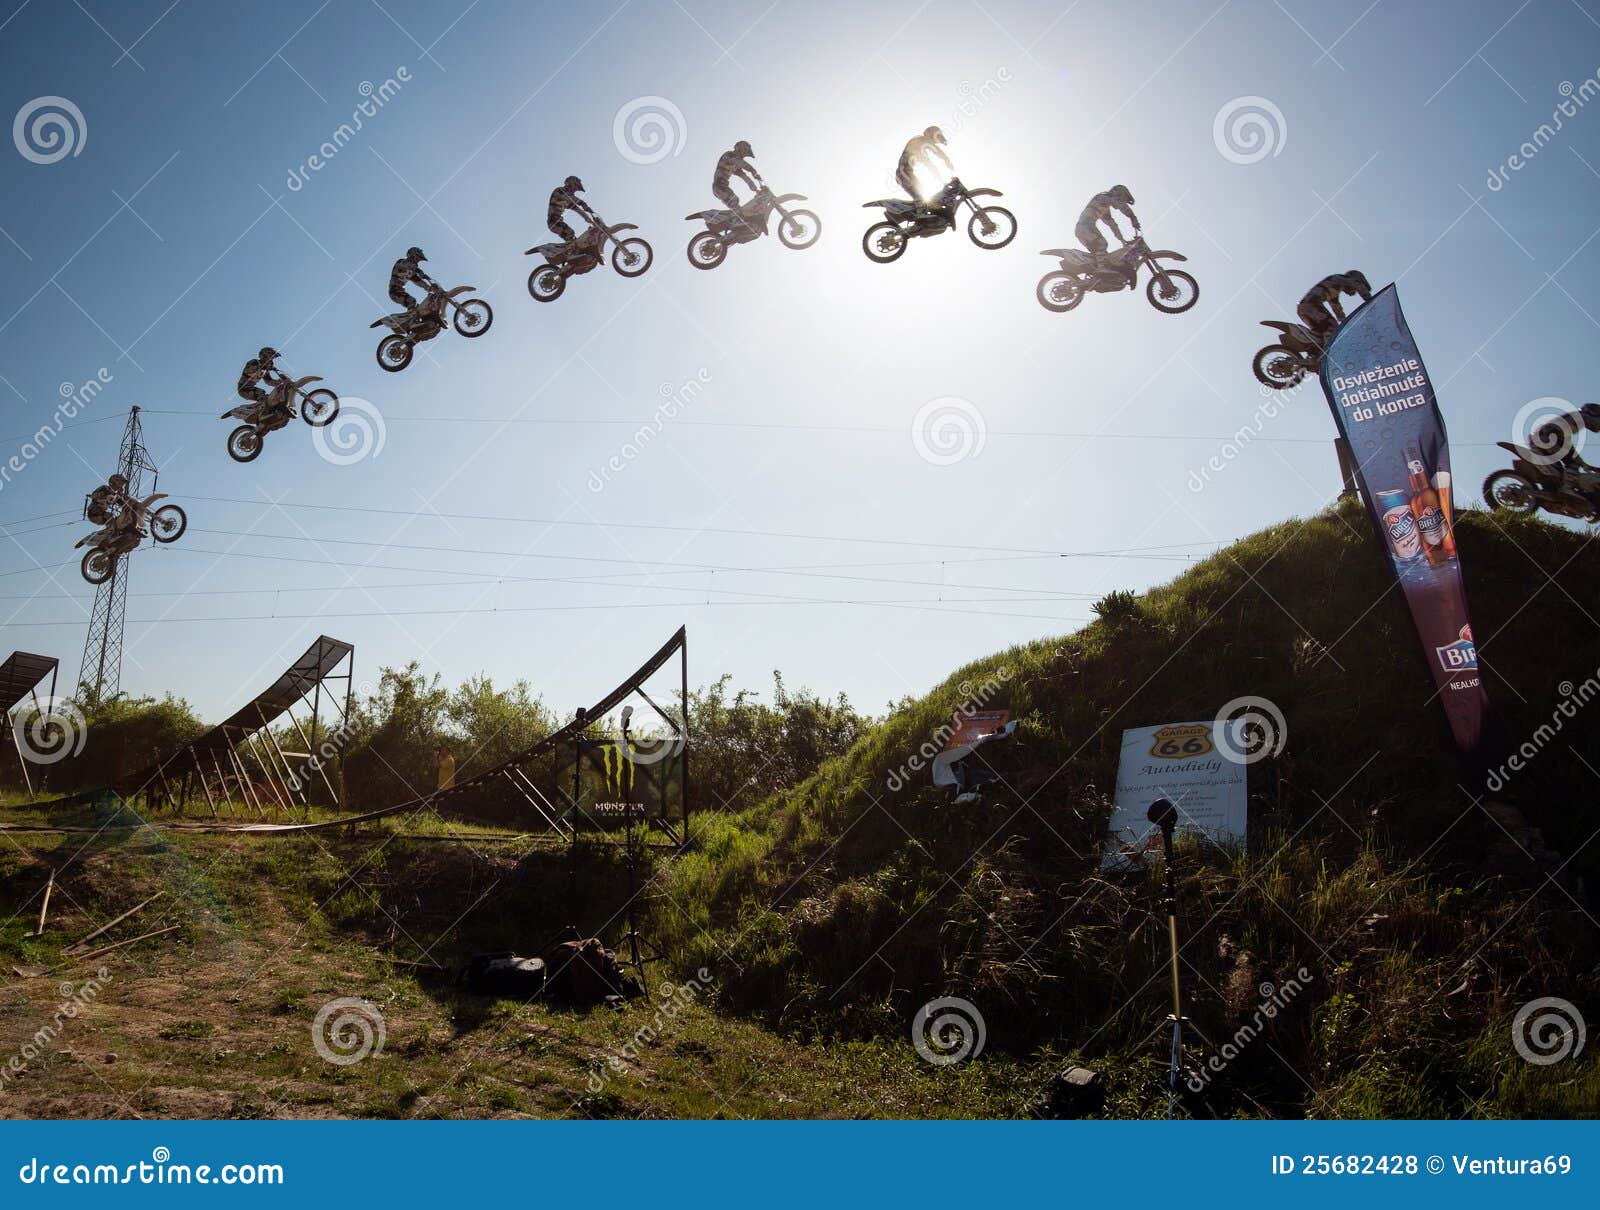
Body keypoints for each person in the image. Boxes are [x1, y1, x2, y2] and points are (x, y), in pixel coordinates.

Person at [1532, 402, 1600, 496]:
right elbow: (1595, 424)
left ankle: (1559, 489)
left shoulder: (1573, 420)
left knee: (1566, 467)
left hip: (1546, 437)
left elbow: (1567, 444)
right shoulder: (1580, 417)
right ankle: (1567, 489)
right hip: (1545, 437)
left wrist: (1583, 463)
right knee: (1572, 463)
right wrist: (1579, 461)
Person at [1075, 185, 1140, 281]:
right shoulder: (1103, 197)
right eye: (1122, 198)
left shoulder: (1104, 207)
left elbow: (1112, 224)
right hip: (1085, 226)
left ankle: (1097, 279)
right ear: (1118, 193)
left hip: (1083, 229)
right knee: (1102, 244)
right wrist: (1132, 217)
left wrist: (1122, 240)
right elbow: (1120, 204)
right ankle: (1101, 270)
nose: (1122, 200)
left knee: (1102, 256)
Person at [1296, 270, 1372, 343]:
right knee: (1332, 326)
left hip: (1302, 308)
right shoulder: (1340, 278)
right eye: (1353, 290)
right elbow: (1357, 285)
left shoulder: (1333, 290)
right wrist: (1369, 300)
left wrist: (1345, 322)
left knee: (1319, 333)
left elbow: (1337, 309)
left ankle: (1314, 350)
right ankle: (1330, 348)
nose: (1352, 291)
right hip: (1311, 305)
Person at [896, 125, 954, 209]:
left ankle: (921, 219)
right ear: (931, 134)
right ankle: (920, 215)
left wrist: (941, 180)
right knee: (919, 194)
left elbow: (930, 166)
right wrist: (946, 160)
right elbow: (936, 150)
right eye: (937, 135)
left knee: (920, 195)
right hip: (903, 173)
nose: (937, 139)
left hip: (904, 173)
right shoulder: (921, 140)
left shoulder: (920, 149)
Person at [548, 175, 596, 251]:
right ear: (570, 184)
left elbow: (578, 210)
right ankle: (570, 253)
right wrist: (583, 203)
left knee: (576, 241)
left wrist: (590, 220)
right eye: (575, 188)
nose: (575, 191)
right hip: (554, 221)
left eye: (576, 189)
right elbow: (571, 198)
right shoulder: (560, 191)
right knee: (570, 233)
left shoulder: (567, 201)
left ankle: (576, 255)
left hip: (557, 221)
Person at [387, 246, 433, 322]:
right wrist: (419, 271)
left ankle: (417, 325)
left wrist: (429, 288)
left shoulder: (411, 272)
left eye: (419, 259)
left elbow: (418, 281)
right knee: (412, 301)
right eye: (417, 258)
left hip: (399, 291)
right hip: (395, 291)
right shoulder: (401, 262)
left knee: (419, 309)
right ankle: (407, 320)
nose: (418, 261)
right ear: (412, 255)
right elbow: (405, 266)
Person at [712, 139, 759, 211]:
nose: (743, 157)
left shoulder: (735, 167)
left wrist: (755, 189)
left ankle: (743, 218)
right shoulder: (729, 155)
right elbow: (740, 162)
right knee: (734, 200)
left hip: (721, 186)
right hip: (719, 186)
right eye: (743, 153)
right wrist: (753, 171)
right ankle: (738, 218)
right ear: (739, 149)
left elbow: (745, 177)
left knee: (736, 203)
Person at [236, 346, 283, 415]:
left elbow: (269, 381)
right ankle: (259, 413)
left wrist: (280, 382)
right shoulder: (254, 362)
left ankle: (270, 414)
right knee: (261, 394)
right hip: (244, 389)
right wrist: (265, 367)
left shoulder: (265, 370)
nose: (272, 360)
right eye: (271, 357)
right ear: (265, 355)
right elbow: (250, 371)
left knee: (271, 397)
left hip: (251, 388)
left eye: (273, 358)